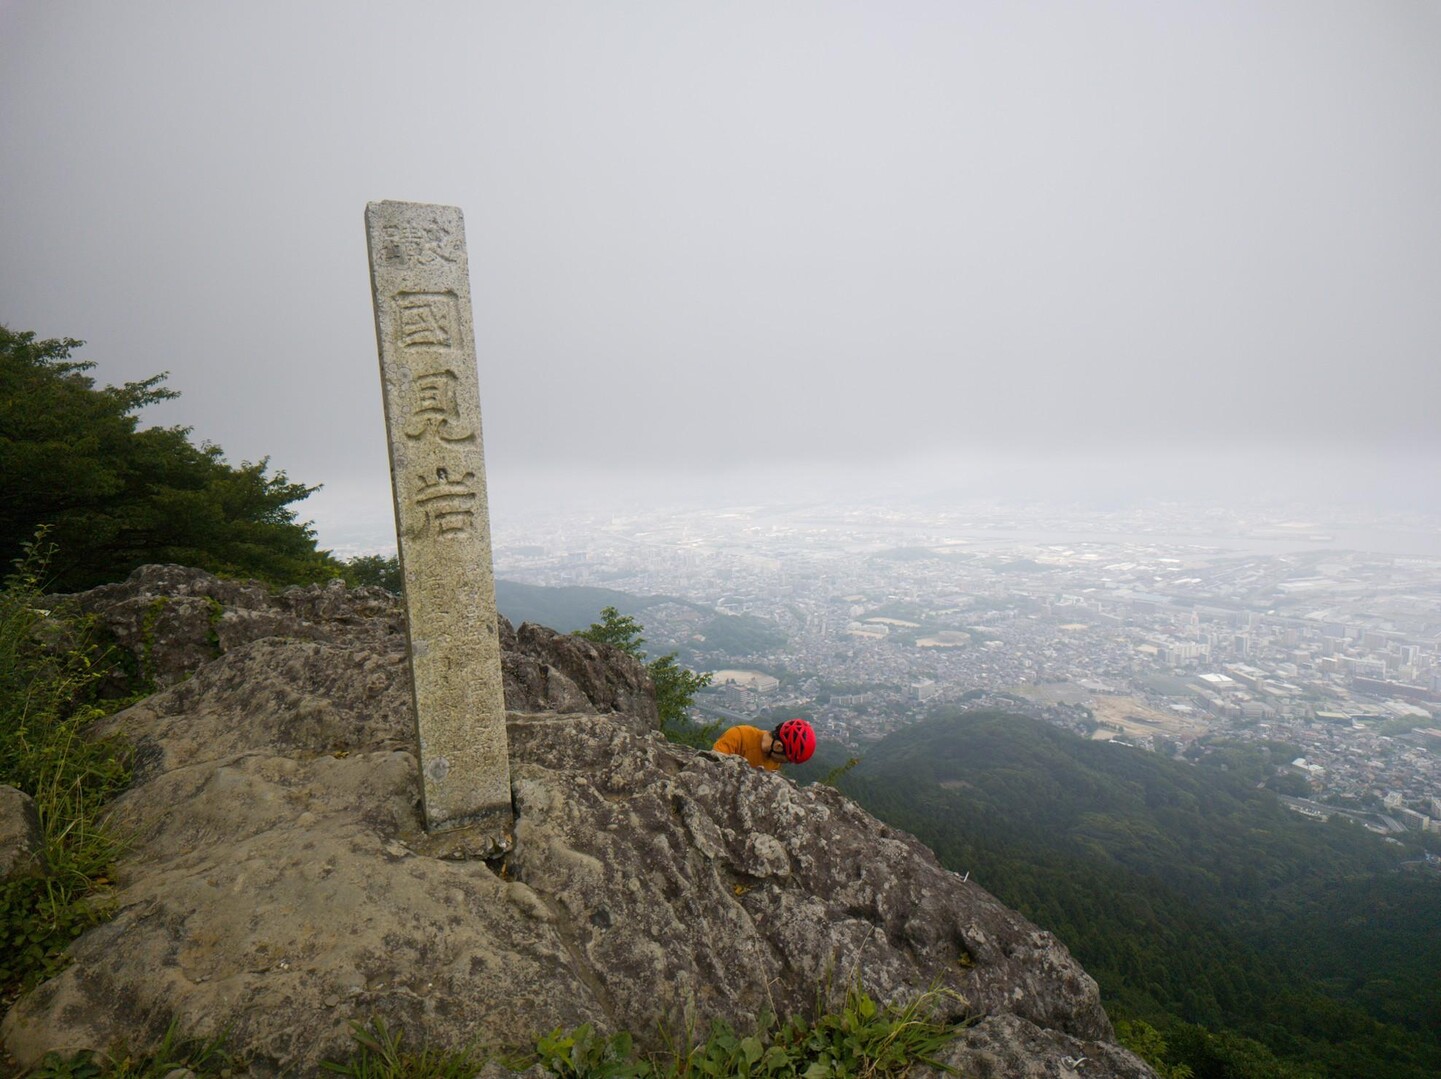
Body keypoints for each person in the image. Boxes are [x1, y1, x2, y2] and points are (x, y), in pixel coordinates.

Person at [712, 718, 816, 771]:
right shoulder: (738, 736)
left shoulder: (774, 761)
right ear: (778, 746)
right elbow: (713, 765)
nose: (783, 763)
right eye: (787, 760)